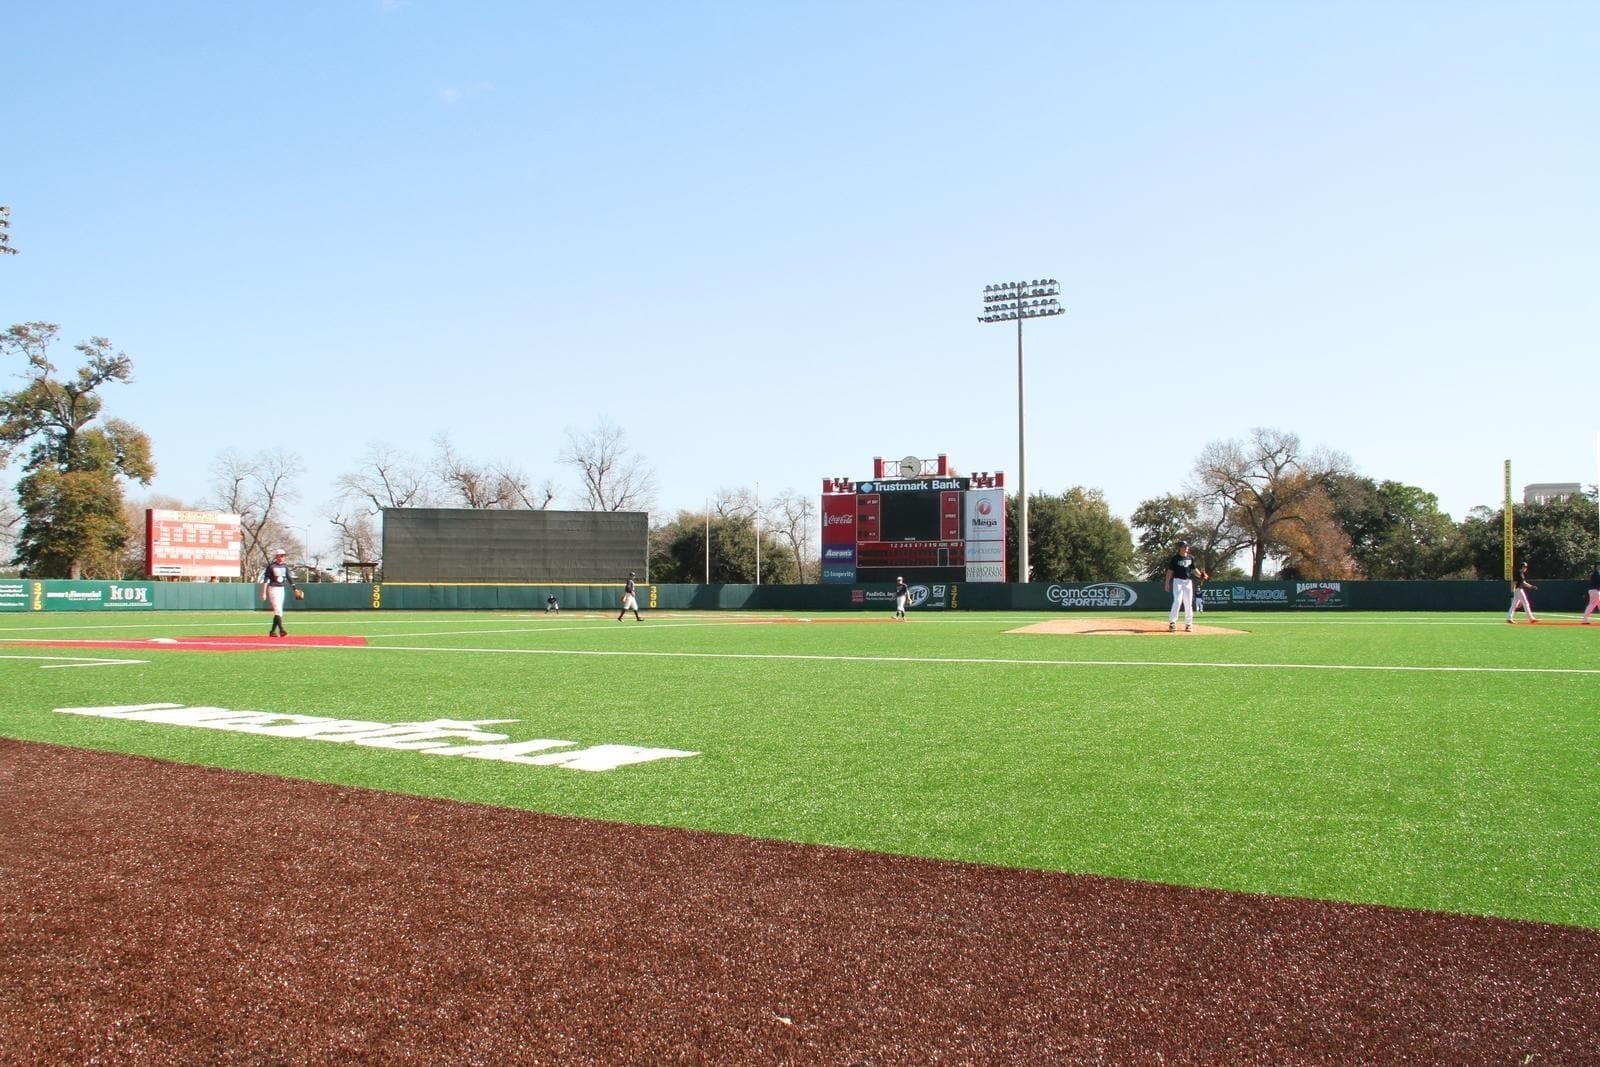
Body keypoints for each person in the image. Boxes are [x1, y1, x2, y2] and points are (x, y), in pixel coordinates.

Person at [260, 548, 296, 637]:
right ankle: (282, 630)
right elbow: (266, 580)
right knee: (278, 610)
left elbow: (289, 578)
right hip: (273, 589)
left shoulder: (285, 566)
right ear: (277, 556)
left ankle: (272, 631)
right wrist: (264, 592)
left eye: (284, 556)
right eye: (282, 555)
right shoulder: (271, 566)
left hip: (281, 589)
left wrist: (294, 588)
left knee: (279, 612)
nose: (284, 557)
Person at [1164, 540, 1199, 632]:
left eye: (1187, 546)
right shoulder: (1175, 558)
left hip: (1188, 582)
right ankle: (1172, 623)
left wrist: (1202, 575)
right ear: (1180, 548)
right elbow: (1170, 571)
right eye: (1184, 546)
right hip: (1178, 581)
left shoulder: (1191, 558)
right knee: (1177, 601)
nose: (1186, 548)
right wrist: (1167, 583)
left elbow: (1194, 570)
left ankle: (1188, 624)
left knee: (1188, 603)